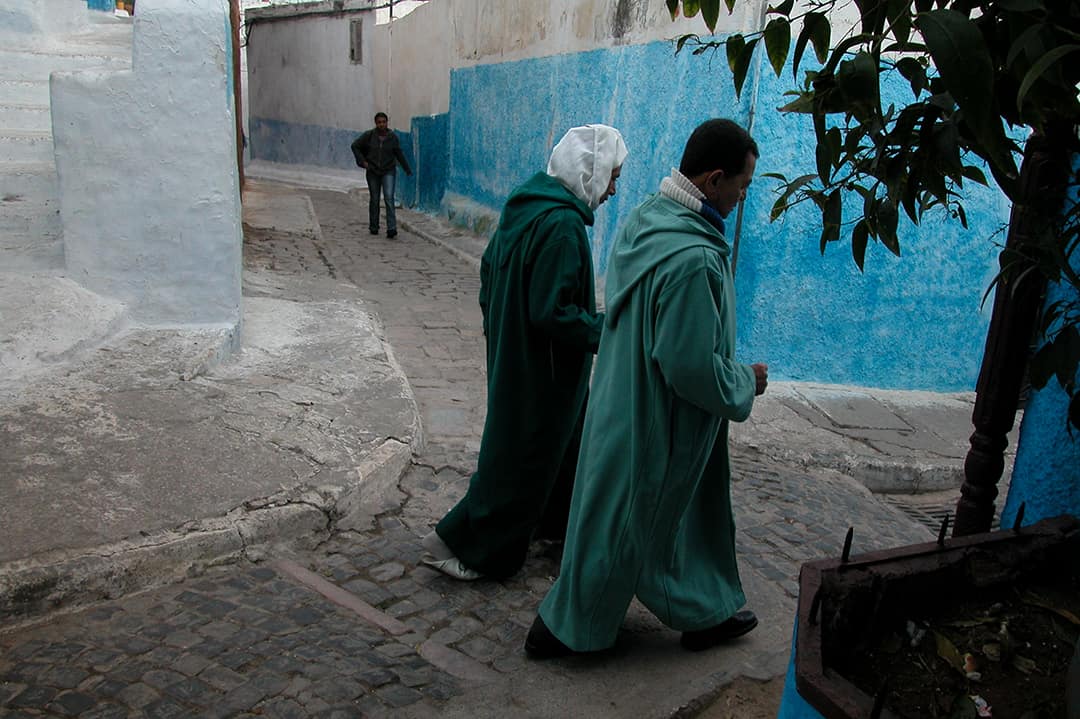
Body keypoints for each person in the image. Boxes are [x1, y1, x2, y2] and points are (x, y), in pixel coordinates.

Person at [524, 118, 769, 658]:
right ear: (712, 179)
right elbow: (686, 366)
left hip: (624, 402)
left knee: (655, 515)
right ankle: (570, 629)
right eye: (743, 185)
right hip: (661, 416)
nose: (743, 196)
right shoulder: (693, 256)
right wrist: (742, 381)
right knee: (630, 520)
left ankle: (704, 611)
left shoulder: (648, 222)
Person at [421, 124, 629, 581]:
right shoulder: (563, 225)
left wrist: (501, 329)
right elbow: (551, 312)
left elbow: (490, 275)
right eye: (611, 176)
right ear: (588, 172)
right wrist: (607, 330)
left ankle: (553, 527)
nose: (614, 188)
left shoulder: (528, 207)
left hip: (519, 356)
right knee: (521, 459)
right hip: (544, 372)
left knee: (563, 447)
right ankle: (463, 543)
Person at [351, 112, 412, 239]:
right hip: (372, 171)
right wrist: (363, 162)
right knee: (375, 199)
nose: (381, 125)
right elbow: (355, 146)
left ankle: (391, 228)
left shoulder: (393, 137)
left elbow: (398, 153)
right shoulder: (369, 136)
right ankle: (374, 226)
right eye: (379, 122)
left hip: (388, 170)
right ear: (375, 123)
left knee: (389, 197)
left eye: (383, 122)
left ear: (387, 122)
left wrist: (406, 168)